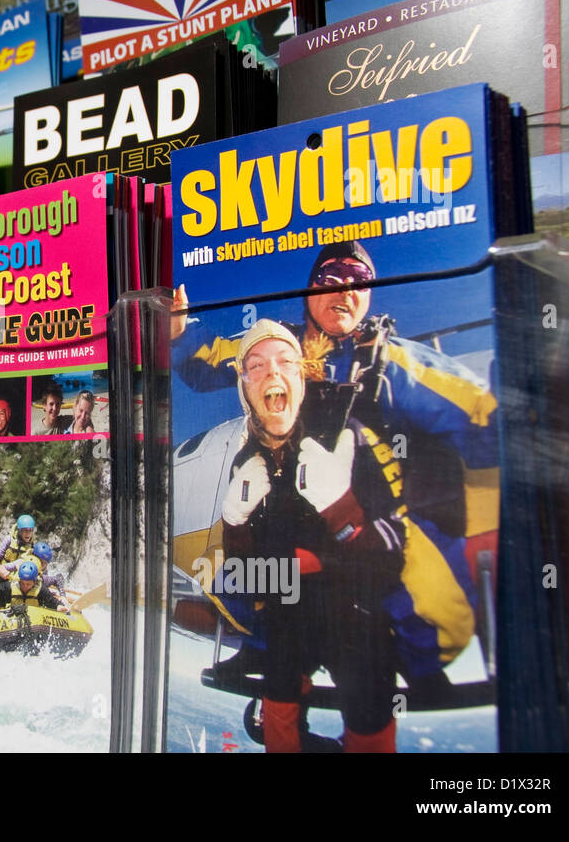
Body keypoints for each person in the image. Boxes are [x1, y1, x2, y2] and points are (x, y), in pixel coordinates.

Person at [171, 240, 500, 578]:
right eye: (331, 278)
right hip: (289, 541)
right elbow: (209, 362)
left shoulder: (391, 364)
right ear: (310, 290)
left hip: (371, 547)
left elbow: (479, 415)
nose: (345, 288)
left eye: (359, 278)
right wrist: (180, 332)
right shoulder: (277, 348)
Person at [216, 319, 446, 753]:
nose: (272, 374)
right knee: (280, 693)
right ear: (245, 386)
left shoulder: (349, 436)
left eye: (285, 361)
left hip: (356, 610)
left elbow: (394, 554)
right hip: (289, 615)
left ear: (303, 375)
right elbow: (241, 575)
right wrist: (235, 522)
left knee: (369, 697)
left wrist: (341, 507)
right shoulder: (248, 462)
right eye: (256, 366)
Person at [0, 514, 37, 594]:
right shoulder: (9, 539)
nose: (28, 534)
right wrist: (0, 569)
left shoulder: (32, 545)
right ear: (19, 531)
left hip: (19, 580)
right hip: (4, 576)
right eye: (25, 530)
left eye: (30, 530)